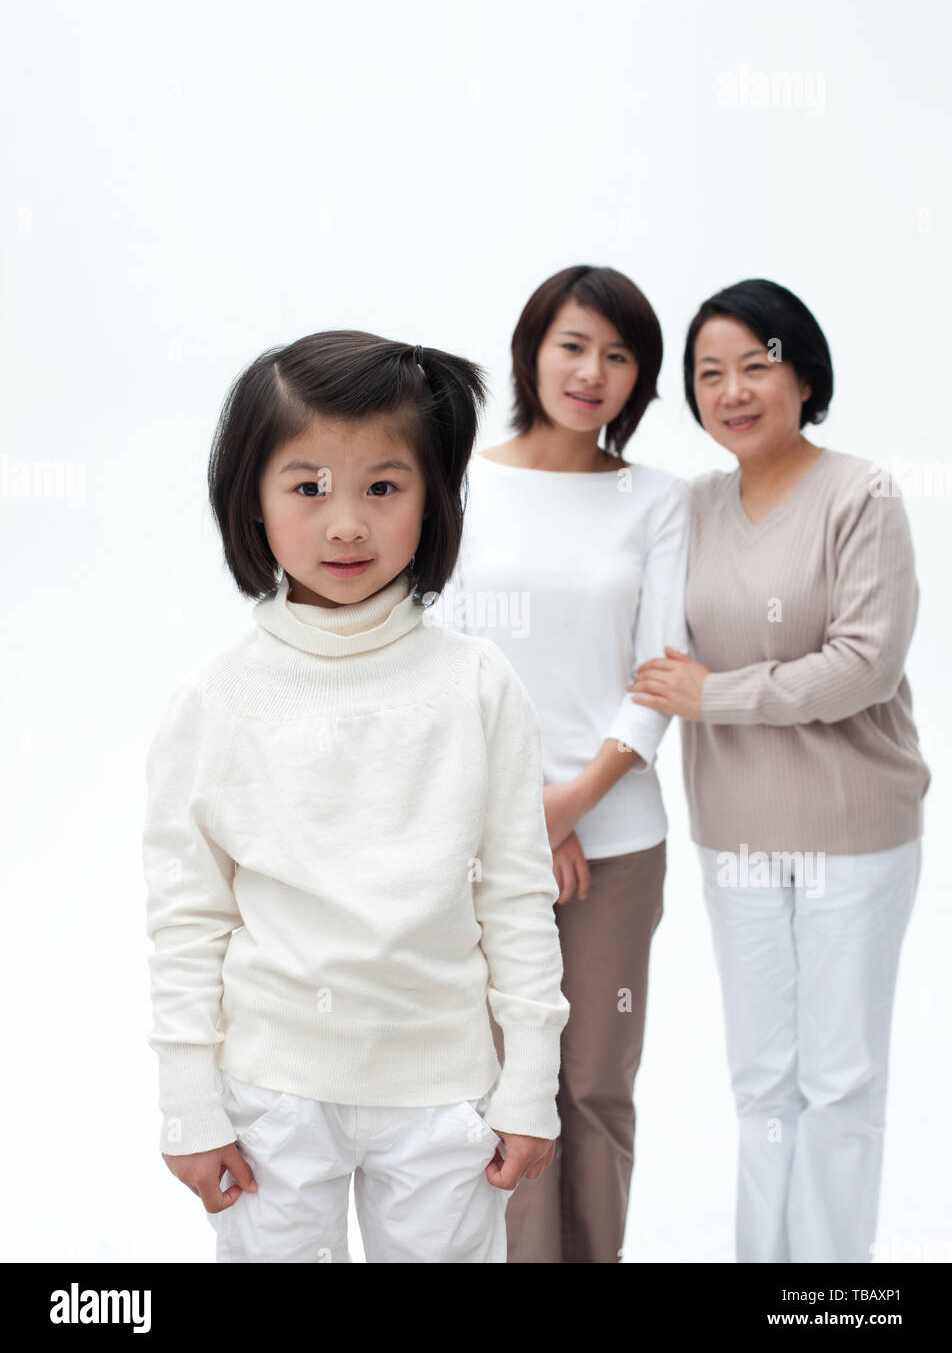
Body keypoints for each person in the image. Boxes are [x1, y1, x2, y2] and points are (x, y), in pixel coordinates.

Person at [142, 330, 570, 1264]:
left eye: (383, 487)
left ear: (434, 500)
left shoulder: (477, 684)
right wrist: (188, 1101)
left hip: (441, 1086)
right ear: (251, 502)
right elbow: (188, 914)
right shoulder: (216, 698)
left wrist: (530, 1083)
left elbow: (516, 893)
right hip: (269, 1089)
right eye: (308, 487)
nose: (346, 524)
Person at [627, 278, 931, 1263]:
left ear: (804, 373)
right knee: (762, 1081)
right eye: (709, 373)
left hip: (854, 831)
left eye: (756, 364)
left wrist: (715, 694)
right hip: (736, 834)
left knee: (839, 1081)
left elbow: (862, 664)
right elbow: (650, 655)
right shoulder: (692, 508)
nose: (733, 389)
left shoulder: (861, 494)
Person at [437, 265, 690, 1262]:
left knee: (593, 1080)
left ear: (640, 379)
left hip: (620, 843)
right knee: (506, 1083)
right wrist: (526, 819)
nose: (592, 371)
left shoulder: (655, 500)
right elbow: (446, 661)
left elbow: (660, 669)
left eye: (619, 355)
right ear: (531, 351)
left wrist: (573, 804)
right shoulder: (461, 479)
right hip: (482, 838)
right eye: (574, 344)